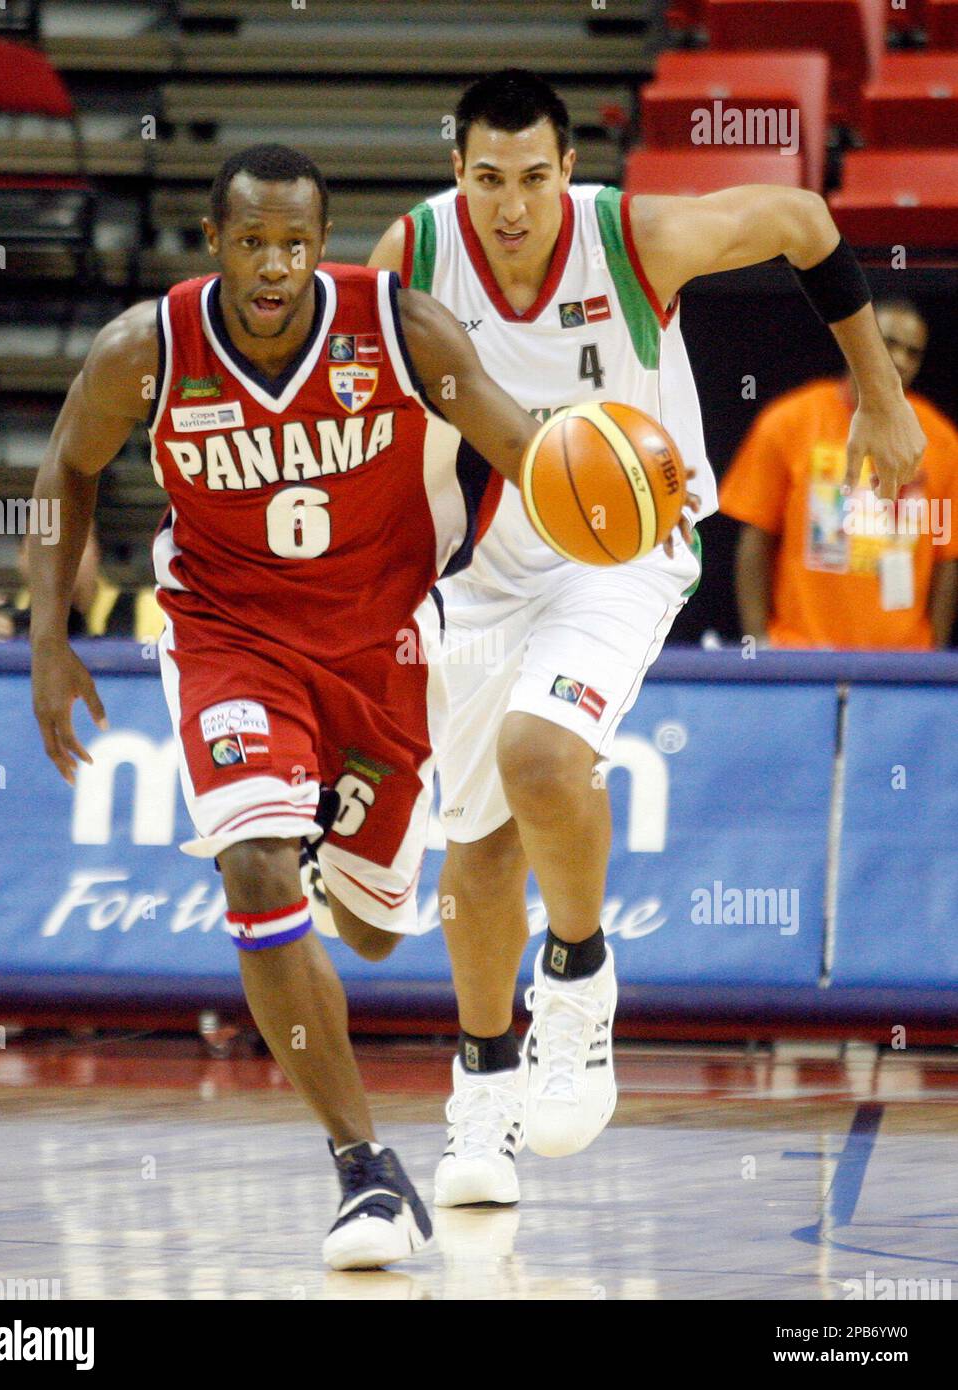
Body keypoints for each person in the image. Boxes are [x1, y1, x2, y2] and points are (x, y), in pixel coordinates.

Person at [368, 69, 926, 1207]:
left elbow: (801, 221)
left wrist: (876, 390)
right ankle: (480, 1101)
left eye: (532, 177)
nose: (510, 204)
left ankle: (575, 979)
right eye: (486, 179)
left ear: (567, 171)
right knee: (474, 849)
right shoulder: (412, 258)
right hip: (477, 573)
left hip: (621, 549)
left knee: (540, 756)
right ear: (455, 174)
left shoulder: (635, 237)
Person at [27, 143, 564, 1271]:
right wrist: (47, 636)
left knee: (370, 927)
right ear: (217, 242)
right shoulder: (147, 349)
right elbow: (67, 468)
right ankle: (361, 1166)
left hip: (384, 644)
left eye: (297, 243)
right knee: (258, 870)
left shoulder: (403, 330)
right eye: (253, 242)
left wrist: (608, 503)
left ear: (323, 245)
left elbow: (518, 443)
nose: (275, 266)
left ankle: (324, 831)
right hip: (232, 640)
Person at [721, 298, 958, 649]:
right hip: (799, 651)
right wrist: (758, 638)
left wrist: (932, 652)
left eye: (913, 352)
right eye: (888, 343)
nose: (900, 360)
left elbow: (946, 553)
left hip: (902, 662)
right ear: (857, 339)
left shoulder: (941, 442)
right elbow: (756, 535)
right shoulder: (789, 422)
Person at [0, 523, 163, 642]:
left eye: (75, 539)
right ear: (21, 557)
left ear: (96, 553)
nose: (61, 555)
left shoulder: (153, 612)